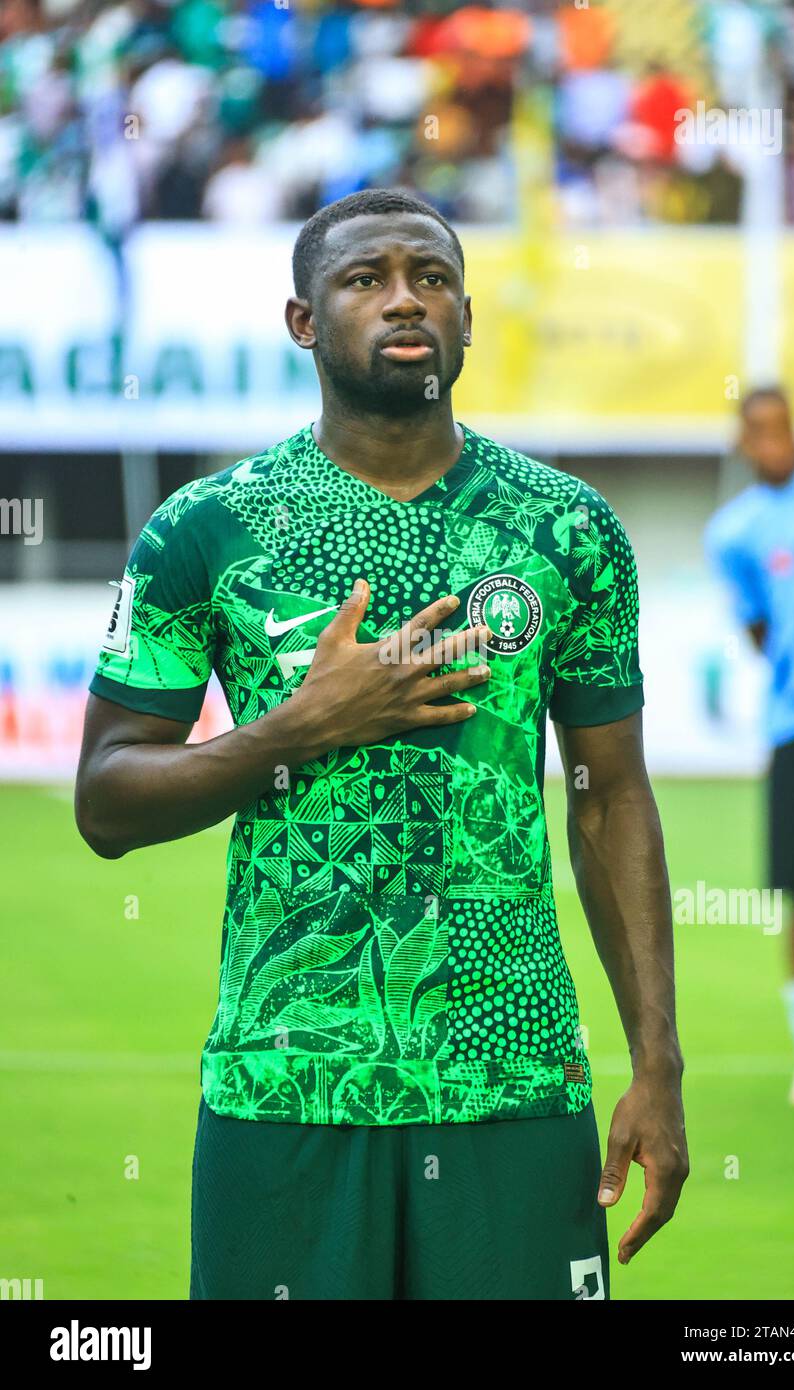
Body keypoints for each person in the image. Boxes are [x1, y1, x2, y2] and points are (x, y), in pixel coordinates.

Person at [75, 188, 687, 1300]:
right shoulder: (202, 530)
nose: (404, 298)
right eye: (365, 279)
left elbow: (609, 796)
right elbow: (107, 800)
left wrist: (658, 1061)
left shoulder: (565, 526)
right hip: (286, 1080)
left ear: (463, 319)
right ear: (304, 321)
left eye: (432, 277)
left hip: (513, 1076)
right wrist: (299, 729)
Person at [705, 387, 794, 1107]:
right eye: (758, 432)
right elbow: (760, 631)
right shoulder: (734, 531)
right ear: (742, 438)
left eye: (783, 429)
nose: (773, 444)